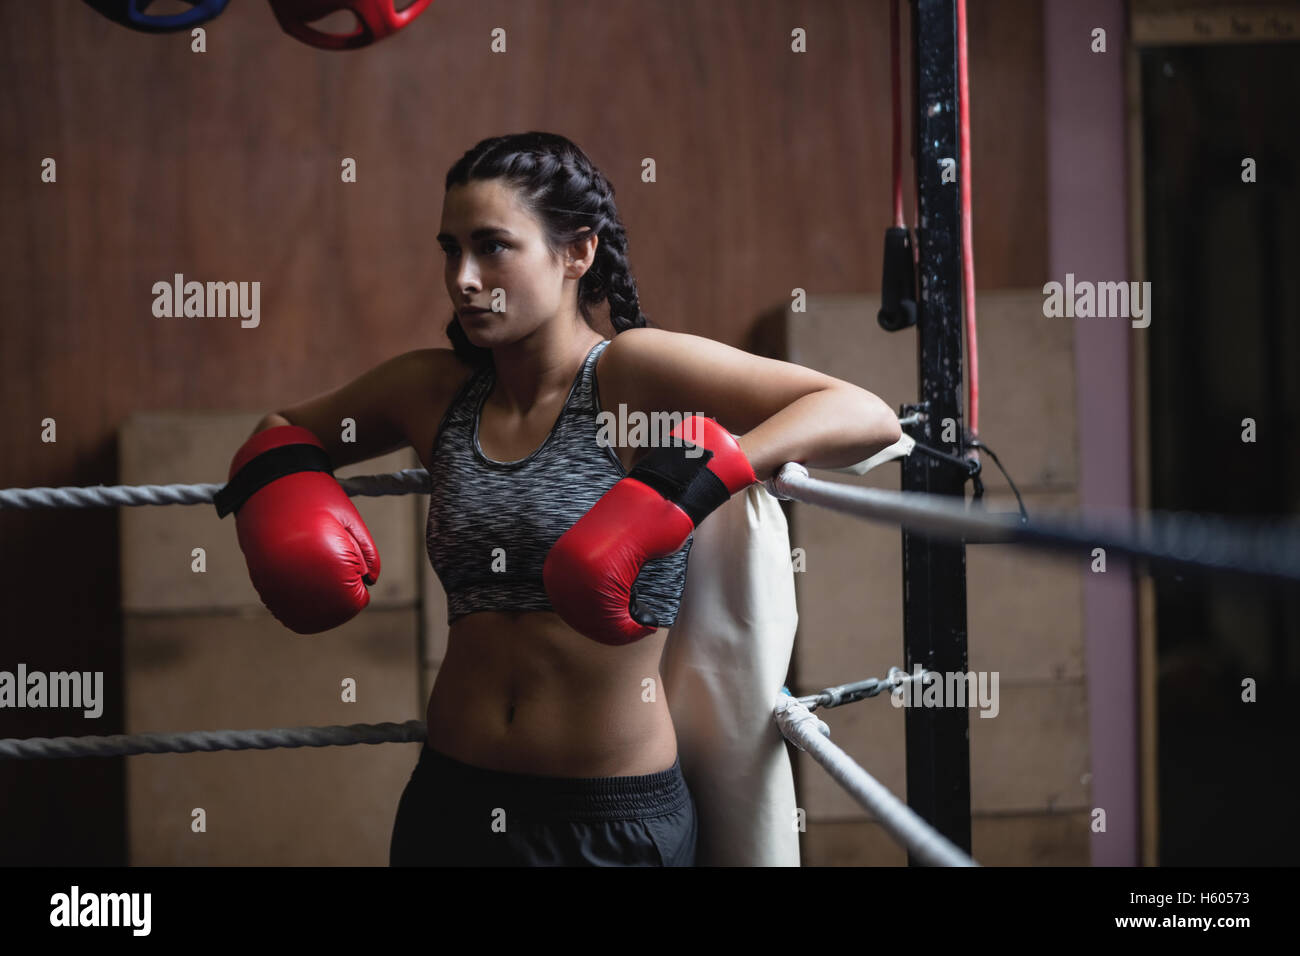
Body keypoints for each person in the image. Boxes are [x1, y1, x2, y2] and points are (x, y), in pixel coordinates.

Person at [214, 131, 901, 866]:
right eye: (451, 249)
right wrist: (285, 507)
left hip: (606, 820)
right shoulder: (429, 391)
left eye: (493, 247)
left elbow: (863, 415)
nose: (464, 279)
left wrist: (693, 483)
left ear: (578, 253)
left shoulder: (630, 373)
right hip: (452, 802)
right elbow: (281, 431)